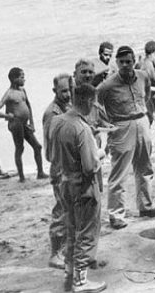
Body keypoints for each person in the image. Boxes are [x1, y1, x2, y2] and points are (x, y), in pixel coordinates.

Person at [49, 83, 106, 293]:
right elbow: (90, 166)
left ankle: (70, 270)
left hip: (65, 182)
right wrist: (100, 153)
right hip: (83, 187)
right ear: (90, 101)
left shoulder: (57, 121)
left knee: (72, 230)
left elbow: (51, 155)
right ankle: (80, 281)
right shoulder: (81, 129)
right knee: (87, 232)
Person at [97, 45, 154, 229]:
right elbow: (96, 106)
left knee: (145, 167)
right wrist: (107, 125)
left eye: (128, 62)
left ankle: (146, 206)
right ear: (116, 62)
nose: (125, 66)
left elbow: (147, 95)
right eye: (121, 62)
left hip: (142, 121)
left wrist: (145, 116)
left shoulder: (143, 76)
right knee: (119, 172)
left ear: (134, 61)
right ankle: (116, 214)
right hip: (121, 126)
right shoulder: (108, 85)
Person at [0, 67, 47, 182]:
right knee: (19, 148)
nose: (24, 79)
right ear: (14, 79)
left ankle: (40, 172)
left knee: (37, 146)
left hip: (24, 123)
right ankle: (22, 177)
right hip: (16, 124)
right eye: (22, 77)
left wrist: (31, 122)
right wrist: (7, 116)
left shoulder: (22, 90)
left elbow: (28, 105)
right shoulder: (9, 94)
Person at [43, 73, 72, 270]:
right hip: (60, 168)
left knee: (69, 210)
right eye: (64, 91)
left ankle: (64, 249)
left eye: (70, 90)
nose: (68, 94)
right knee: (61, 211)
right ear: (55, 91)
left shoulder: (67, 108)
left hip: (69, 166)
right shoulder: (52, 113)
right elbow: (50, 149)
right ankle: (55, 254)